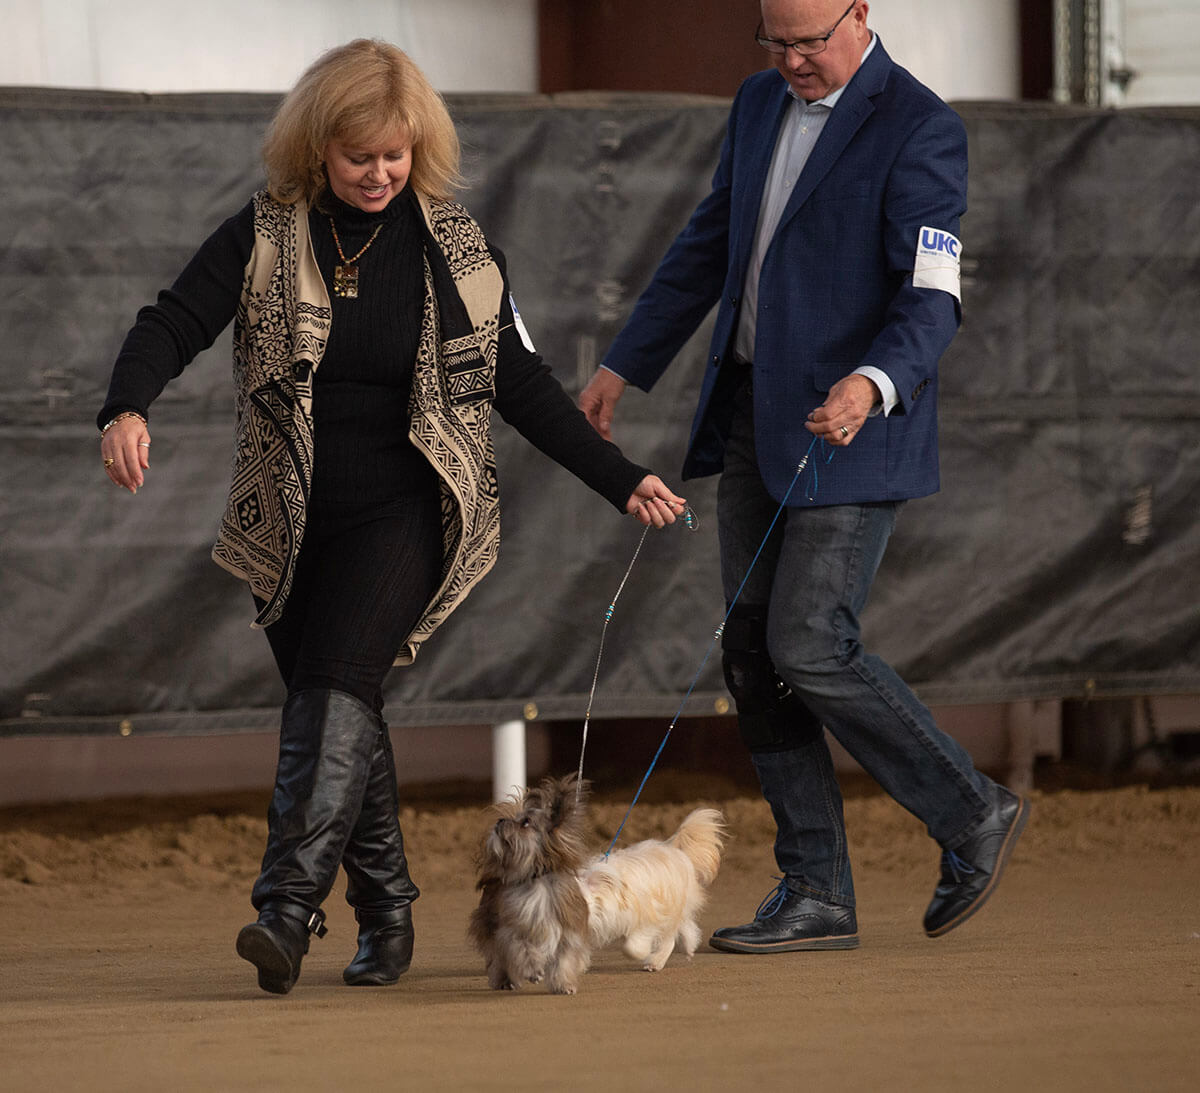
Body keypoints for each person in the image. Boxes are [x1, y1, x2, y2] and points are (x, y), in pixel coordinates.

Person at [97, 39, 686, 994]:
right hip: (288, 521)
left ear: (421, 149)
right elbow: (169, 322)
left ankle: (286, 907)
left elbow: (521, 383)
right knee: (344, 711)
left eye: (396, 156)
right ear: (315, 148)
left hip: (407, 512)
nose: (378, 174)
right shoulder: (264, 233)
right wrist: (126, 406)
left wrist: (620, 477)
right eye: (357, 155)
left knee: (334, 685)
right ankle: (389, 915)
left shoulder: (459, 250)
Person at [579, 0, 1028, 952]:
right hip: (753, 418)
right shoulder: (754, 106)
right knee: (753, 651)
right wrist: (626, 361)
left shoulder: (921, 126)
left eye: (808, 41)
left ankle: (973, 810)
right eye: (773, 41)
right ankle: (817, 888)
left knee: (810, 640)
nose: (790, 61)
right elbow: (709, 247)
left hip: (854, 428)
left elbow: (932, 299)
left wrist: (871, 382)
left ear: (859, 14)